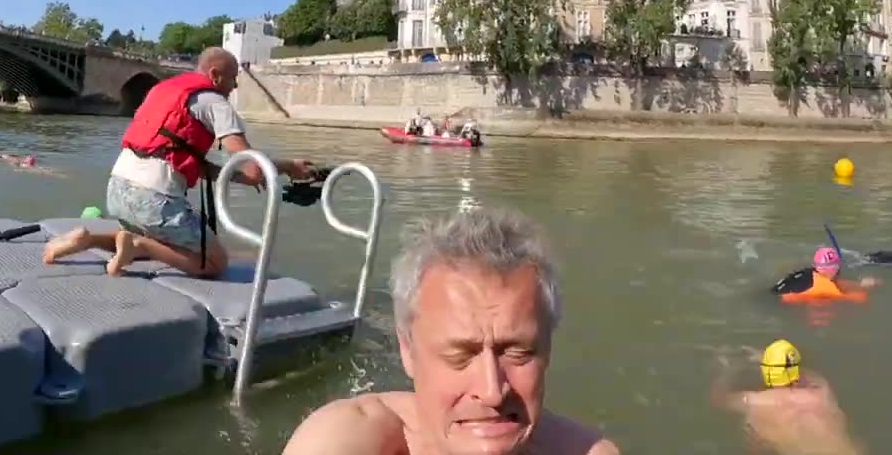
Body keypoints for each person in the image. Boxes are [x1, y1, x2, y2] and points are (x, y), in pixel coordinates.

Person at [282, 206, 619, 455]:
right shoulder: (348, 440)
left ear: (548, 349)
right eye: (459, 355)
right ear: (408, 351)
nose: (492, 391)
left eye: (518, 352)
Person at [43, 46, 314, 278]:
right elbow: (253, 166)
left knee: (168, 246)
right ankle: (139, 245)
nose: (234, 86)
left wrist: (244, 178)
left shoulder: (163, 91)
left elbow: (191, 163)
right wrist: (288, 166)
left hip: (117, 190)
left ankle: (86, 239)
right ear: (215, 75)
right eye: (233, 78)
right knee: (214, 262)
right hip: (153, 199)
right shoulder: (215, 103)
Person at [711, 339, 867, 455]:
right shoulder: (820, 392)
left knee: (754, 436)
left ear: (766, 372)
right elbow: (808, 374)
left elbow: (719, 399)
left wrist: (728, 370)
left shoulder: (755, 402)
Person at [772, 247, 879, 303]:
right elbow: (860, 298)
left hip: (772, 293)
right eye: (837, 267)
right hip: (777, 303)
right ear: (833, 269)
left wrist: (859, 284)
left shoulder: (810, 272)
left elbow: (836, 283)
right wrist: (866, 290)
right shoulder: (826, 287)